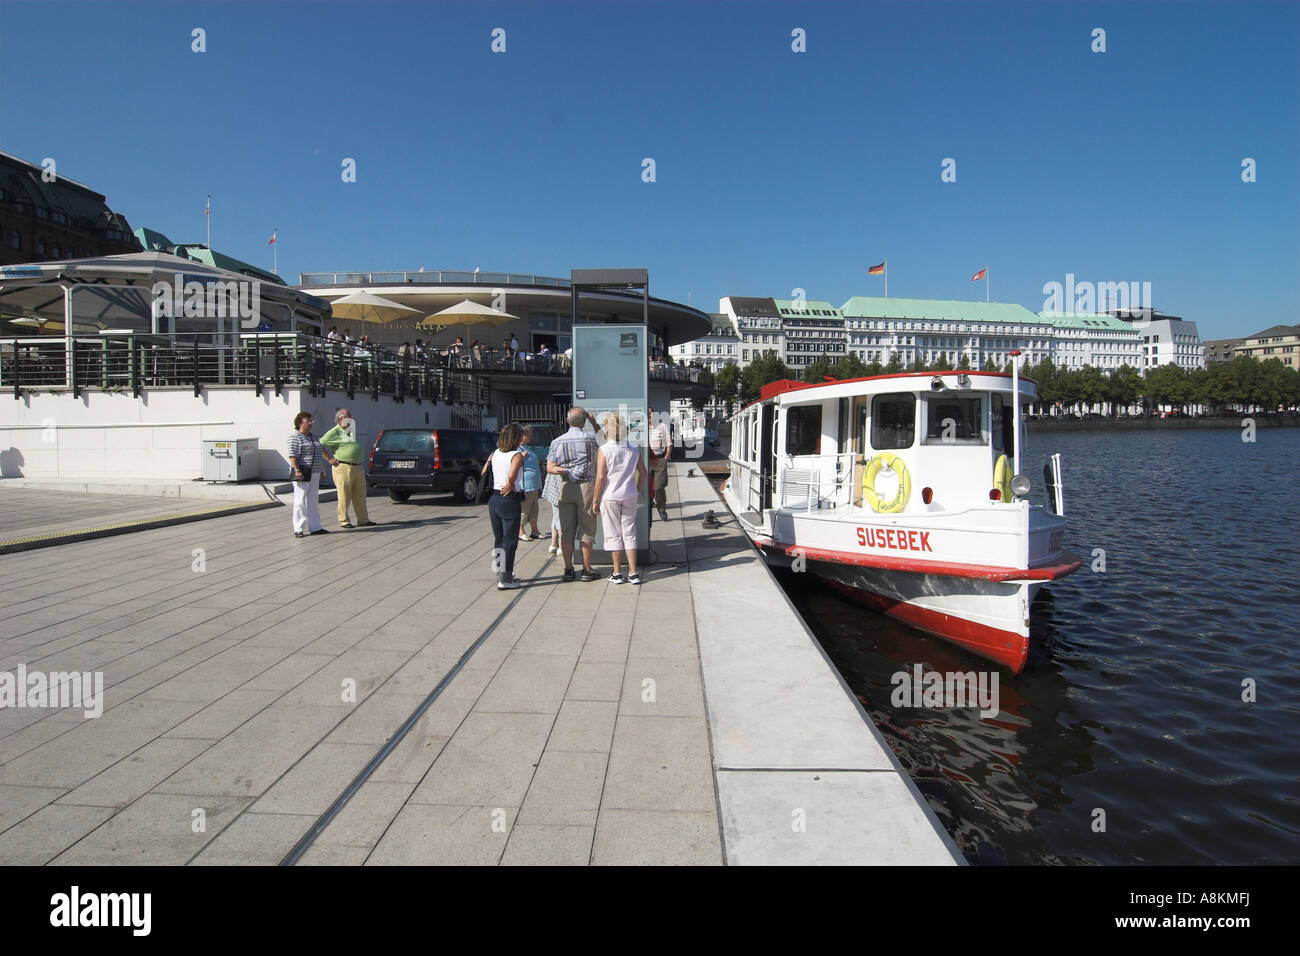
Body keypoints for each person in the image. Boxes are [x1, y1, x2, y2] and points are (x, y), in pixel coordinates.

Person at [547, 407, 602, 582]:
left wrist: (566, 471)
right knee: (587, 529)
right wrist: (594, 422)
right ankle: (586, 570)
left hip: (566, 486)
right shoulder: (590, 439)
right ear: (584, 421)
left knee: (567, 530)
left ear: (567, 420)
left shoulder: (557, 441)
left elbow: (550, 467)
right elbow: (606, 441)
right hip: (586, 486)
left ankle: (568, 569)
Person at [591, 412, 647, 584]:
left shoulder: (604, 450)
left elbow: (601, 477)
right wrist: (637, 491)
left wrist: (595, 499)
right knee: (629, 532)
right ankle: (633, 572)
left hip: (610, 495)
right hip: (629, 494)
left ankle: (617, 572)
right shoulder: (633, 448)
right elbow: (643, 473)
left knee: (613, 534)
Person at [482, 423, 526, 590]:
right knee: (510, 540)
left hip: (494, 498)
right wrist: (510, 483)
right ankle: (505, 579)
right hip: (509, 499)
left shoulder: (495, 453)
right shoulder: (517, 455)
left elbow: (484, 471)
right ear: (515, 437)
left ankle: (499, 571)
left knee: (499, 538)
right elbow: (512, 474)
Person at [320, 407, 375, 529]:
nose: (351, 419)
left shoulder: (351, 430)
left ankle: (363, 519)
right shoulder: (334, 432)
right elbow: (319, 445)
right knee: (344, 495)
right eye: (348, 417)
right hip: (343, 467)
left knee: (360, 494)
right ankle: (344, 520)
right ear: (340, 419)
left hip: (357, 467)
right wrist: (330, 459)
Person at [288, 412, 327, 537]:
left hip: (314, 472)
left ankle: (315, 527)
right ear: (300, 423)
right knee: (300, 501)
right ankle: (298, 528)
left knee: (313, 500)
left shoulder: (313, 437)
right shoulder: (295, 437)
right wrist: (297, 470)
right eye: (308, 421)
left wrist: (321, 470)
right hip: (303, 472)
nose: (310, 424)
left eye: (311, 421)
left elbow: (318, 454)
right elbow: (292, 455)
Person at [517, 425, 543, 540]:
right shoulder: (517, 449)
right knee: (524, 509)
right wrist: (522, 458)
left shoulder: (527, 447)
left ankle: (534, 530)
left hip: (534, 484)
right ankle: (520, 531)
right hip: (525, 484)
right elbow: (515, 465)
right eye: (528, 434)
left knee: (534, 508)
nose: (530, 436)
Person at [648, 408, 672, 521]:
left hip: (659, 460)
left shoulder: (662, 426)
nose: (649, 415)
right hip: (645, 461)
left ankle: (661, 510)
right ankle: (647, 511)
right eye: (647, 413)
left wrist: (666, 458)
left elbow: (669, 443)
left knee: (658, 488)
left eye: (651, 413)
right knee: (646, 489)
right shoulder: (640, 427)